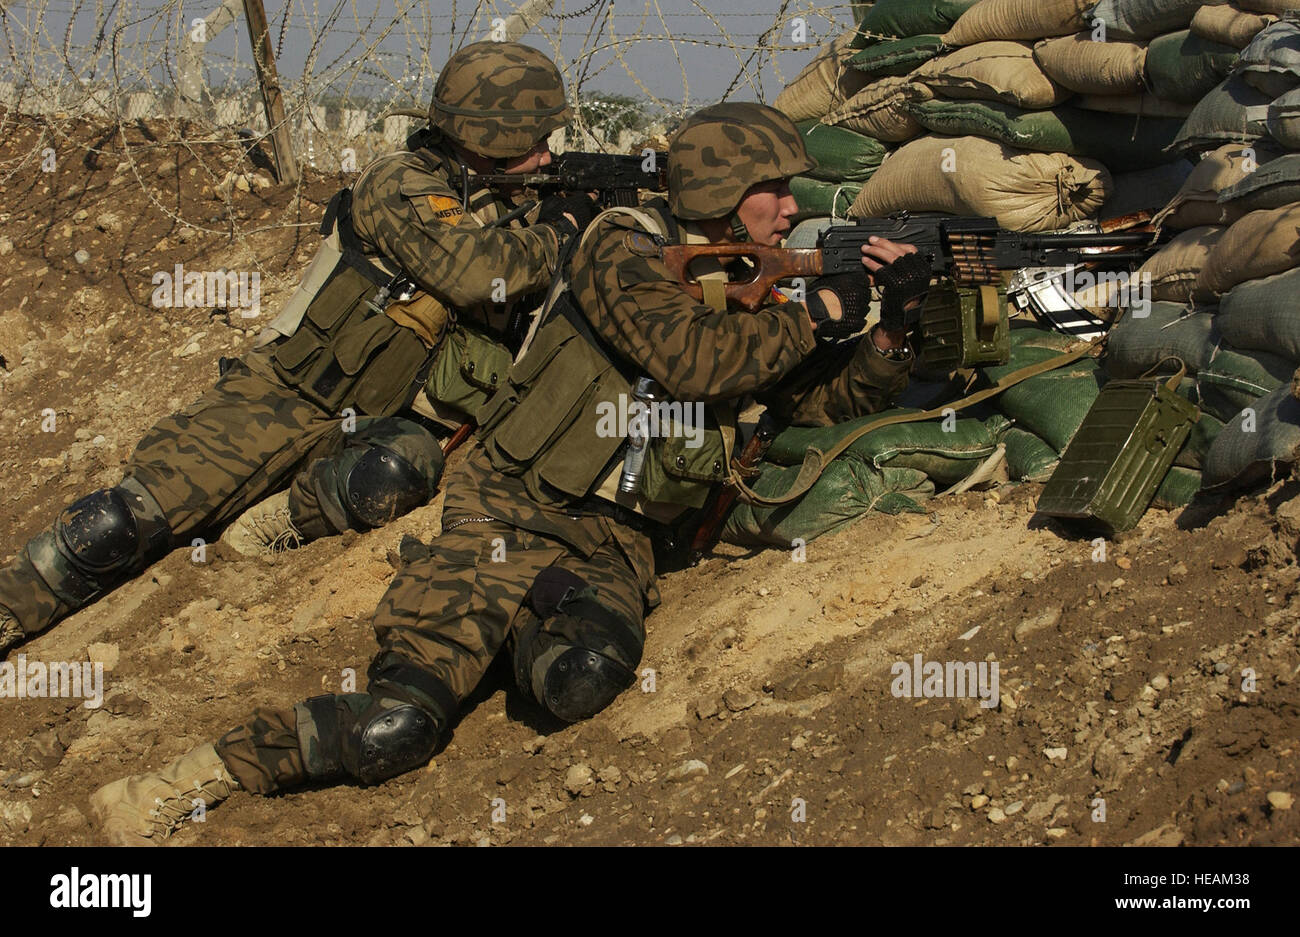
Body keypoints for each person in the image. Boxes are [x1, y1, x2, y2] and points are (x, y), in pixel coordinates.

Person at [89, 101, 932, 844]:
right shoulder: (623, 245)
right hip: (507, 513)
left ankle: (515, 616)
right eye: (774, 188)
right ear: (718, 190)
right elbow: (689, 362)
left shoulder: (757, 289)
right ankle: (192, 779)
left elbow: (817, 404)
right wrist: (814, 316)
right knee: (397, 726)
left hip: (616, 544)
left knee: (582, 677)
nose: (793, 208)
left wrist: (889, 332)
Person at [0, 41, 595, 657]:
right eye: (533, 143)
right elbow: (476, 271)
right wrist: (564, 229)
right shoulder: (401, 183)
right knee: (118, 524)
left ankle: (277, 519)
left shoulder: (512, 202)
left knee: (402, 467)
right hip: (281, 396)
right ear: (485, 137)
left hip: (369, 426)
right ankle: (12, 605)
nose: (547, 155)